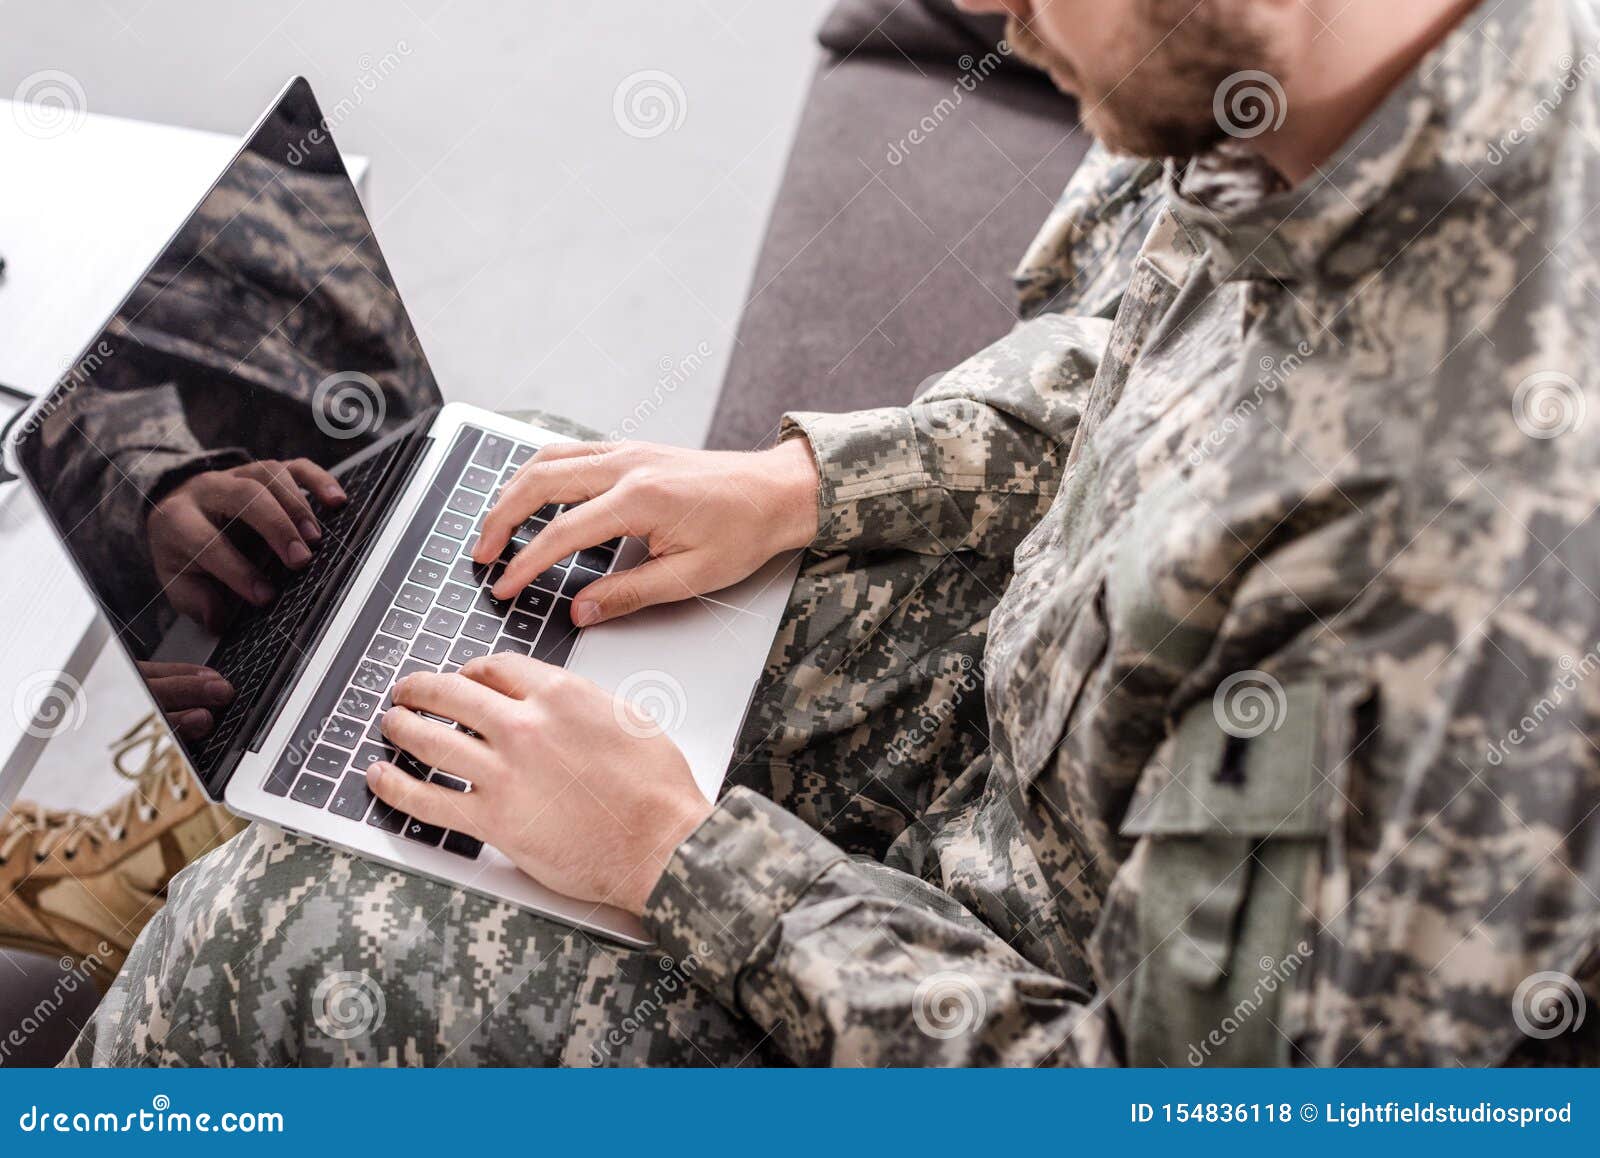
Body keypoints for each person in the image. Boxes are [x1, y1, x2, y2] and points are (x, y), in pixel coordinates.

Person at [64, 0, 1600, 1066]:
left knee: (254, 935)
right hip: (1035, 733)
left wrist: (679, 857)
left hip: (1026, 992)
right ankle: (283, 789)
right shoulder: (1313, 88)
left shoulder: (1449, 584)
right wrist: (805, 483)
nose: (987, 16)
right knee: (516, 514)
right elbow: (1149, 361)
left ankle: (221, 910)